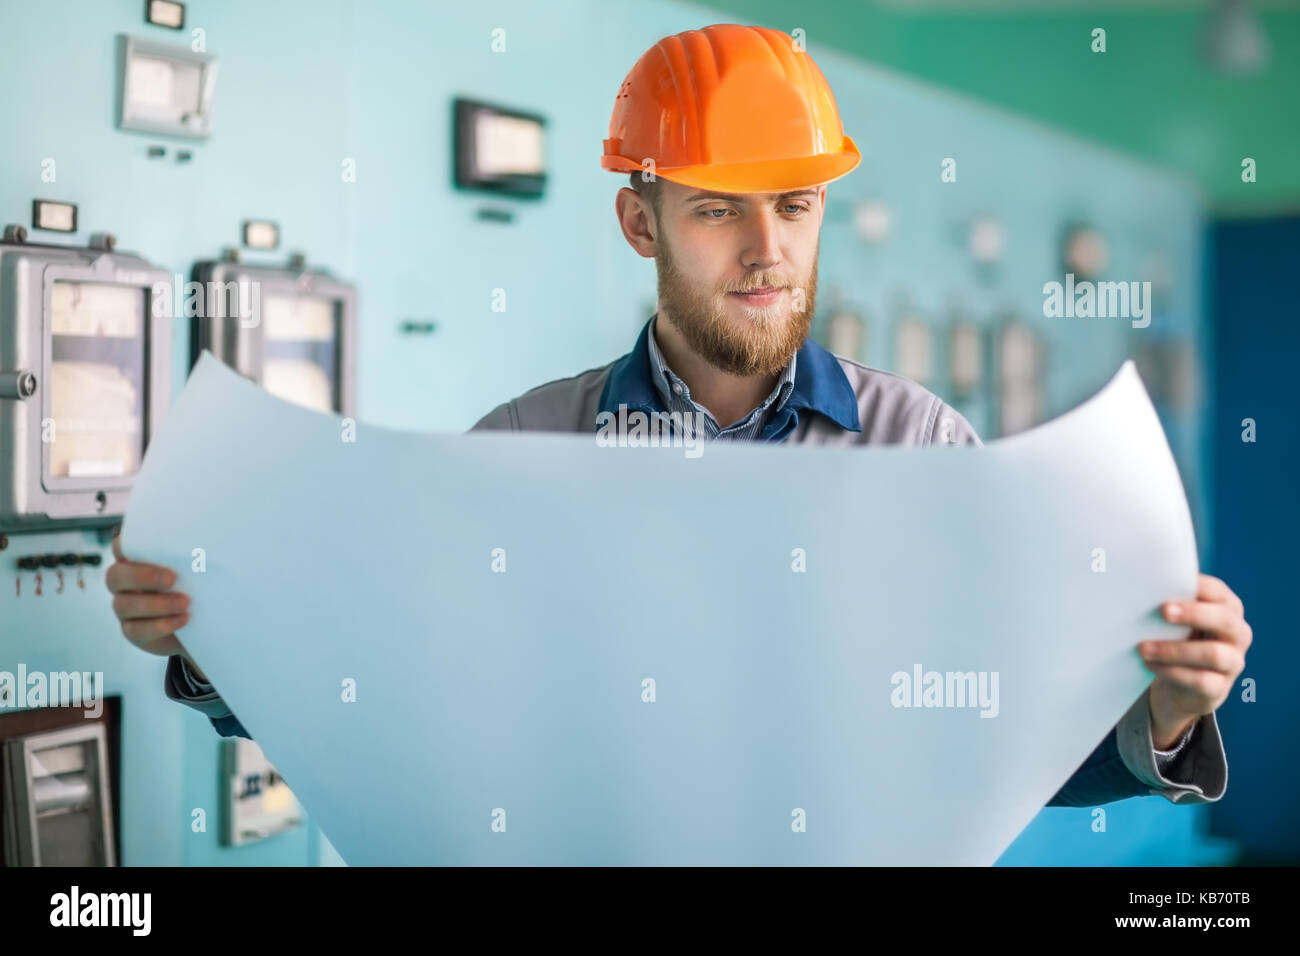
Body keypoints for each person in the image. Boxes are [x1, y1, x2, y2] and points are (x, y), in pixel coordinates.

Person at [107, 24, 1250, 809]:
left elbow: (1009, 751)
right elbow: (389, 710)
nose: (766, 252)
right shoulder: (521, 449)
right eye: (717, 212)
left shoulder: (924, 450)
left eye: (795, 207)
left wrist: (1160, 709)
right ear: (640, 223)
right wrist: (209, 633)